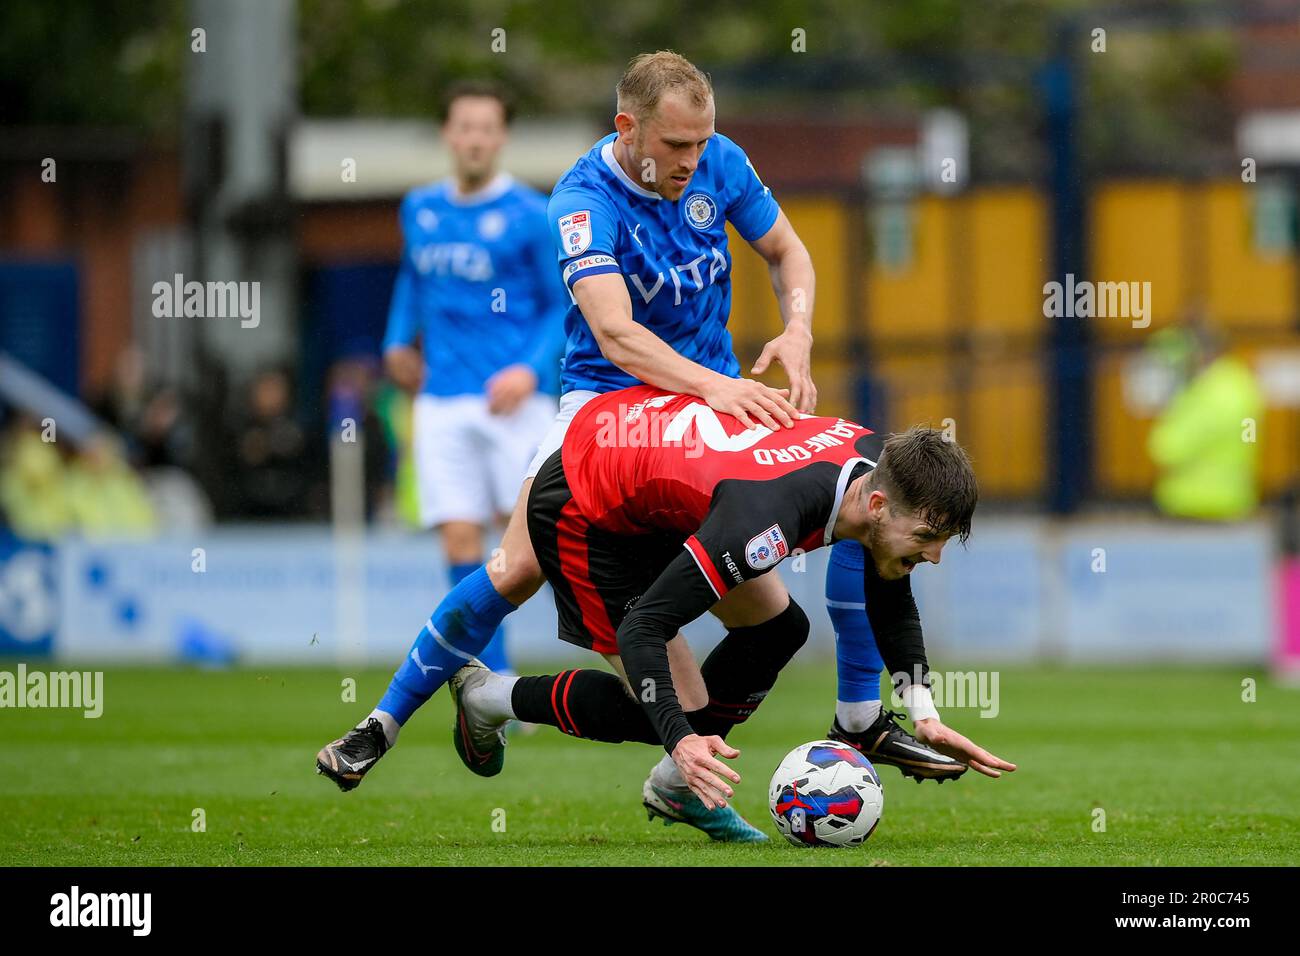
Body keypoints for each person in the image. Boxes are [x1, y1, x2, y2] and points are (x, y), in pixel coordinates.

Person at [317, 51, 954, 834]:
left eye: (702, 144)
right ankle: (382, 723)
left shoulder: (720, 161)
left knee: (786, 605)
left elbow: (789, 251)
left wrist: (797, 328)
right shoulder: (581, 201)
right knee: (516, 566)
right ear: (629, 128)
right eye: (677, 147)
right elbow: (616, 336)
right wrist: (715, 387)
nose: (694, 162)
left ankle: (716, 750)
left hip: (710, 415)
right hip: (609, 410)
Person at [444, 386, 1015, 837]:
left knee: (780, 630)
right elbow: (647, 626)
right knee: (666, 711)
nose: (935, 556)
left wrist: (924, 712)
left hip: (657, 491)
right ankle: (487, 696)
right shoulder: (761, 524)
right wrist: (681, 739)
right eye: (927, 537)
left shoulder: (877, 469)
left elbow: (890, 589)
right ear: (878, 505)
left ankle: (675, 785)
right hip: (585, 507)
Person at [381, 80, 568, 673]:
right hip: (440, 401)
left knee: (534, 548)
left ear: (502, 137)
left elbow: (566, 303)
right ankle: (488, 680)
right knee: (459, 542)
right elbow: (413, 280)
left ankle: (619, 656)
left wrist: (530, 370)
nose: (475, 139)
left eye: (487, 128)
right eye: (465, 126)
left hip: (515, 403)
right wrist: (394, 341)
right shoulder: (420, 208)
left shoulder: (533, 213)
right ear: (447, 133)